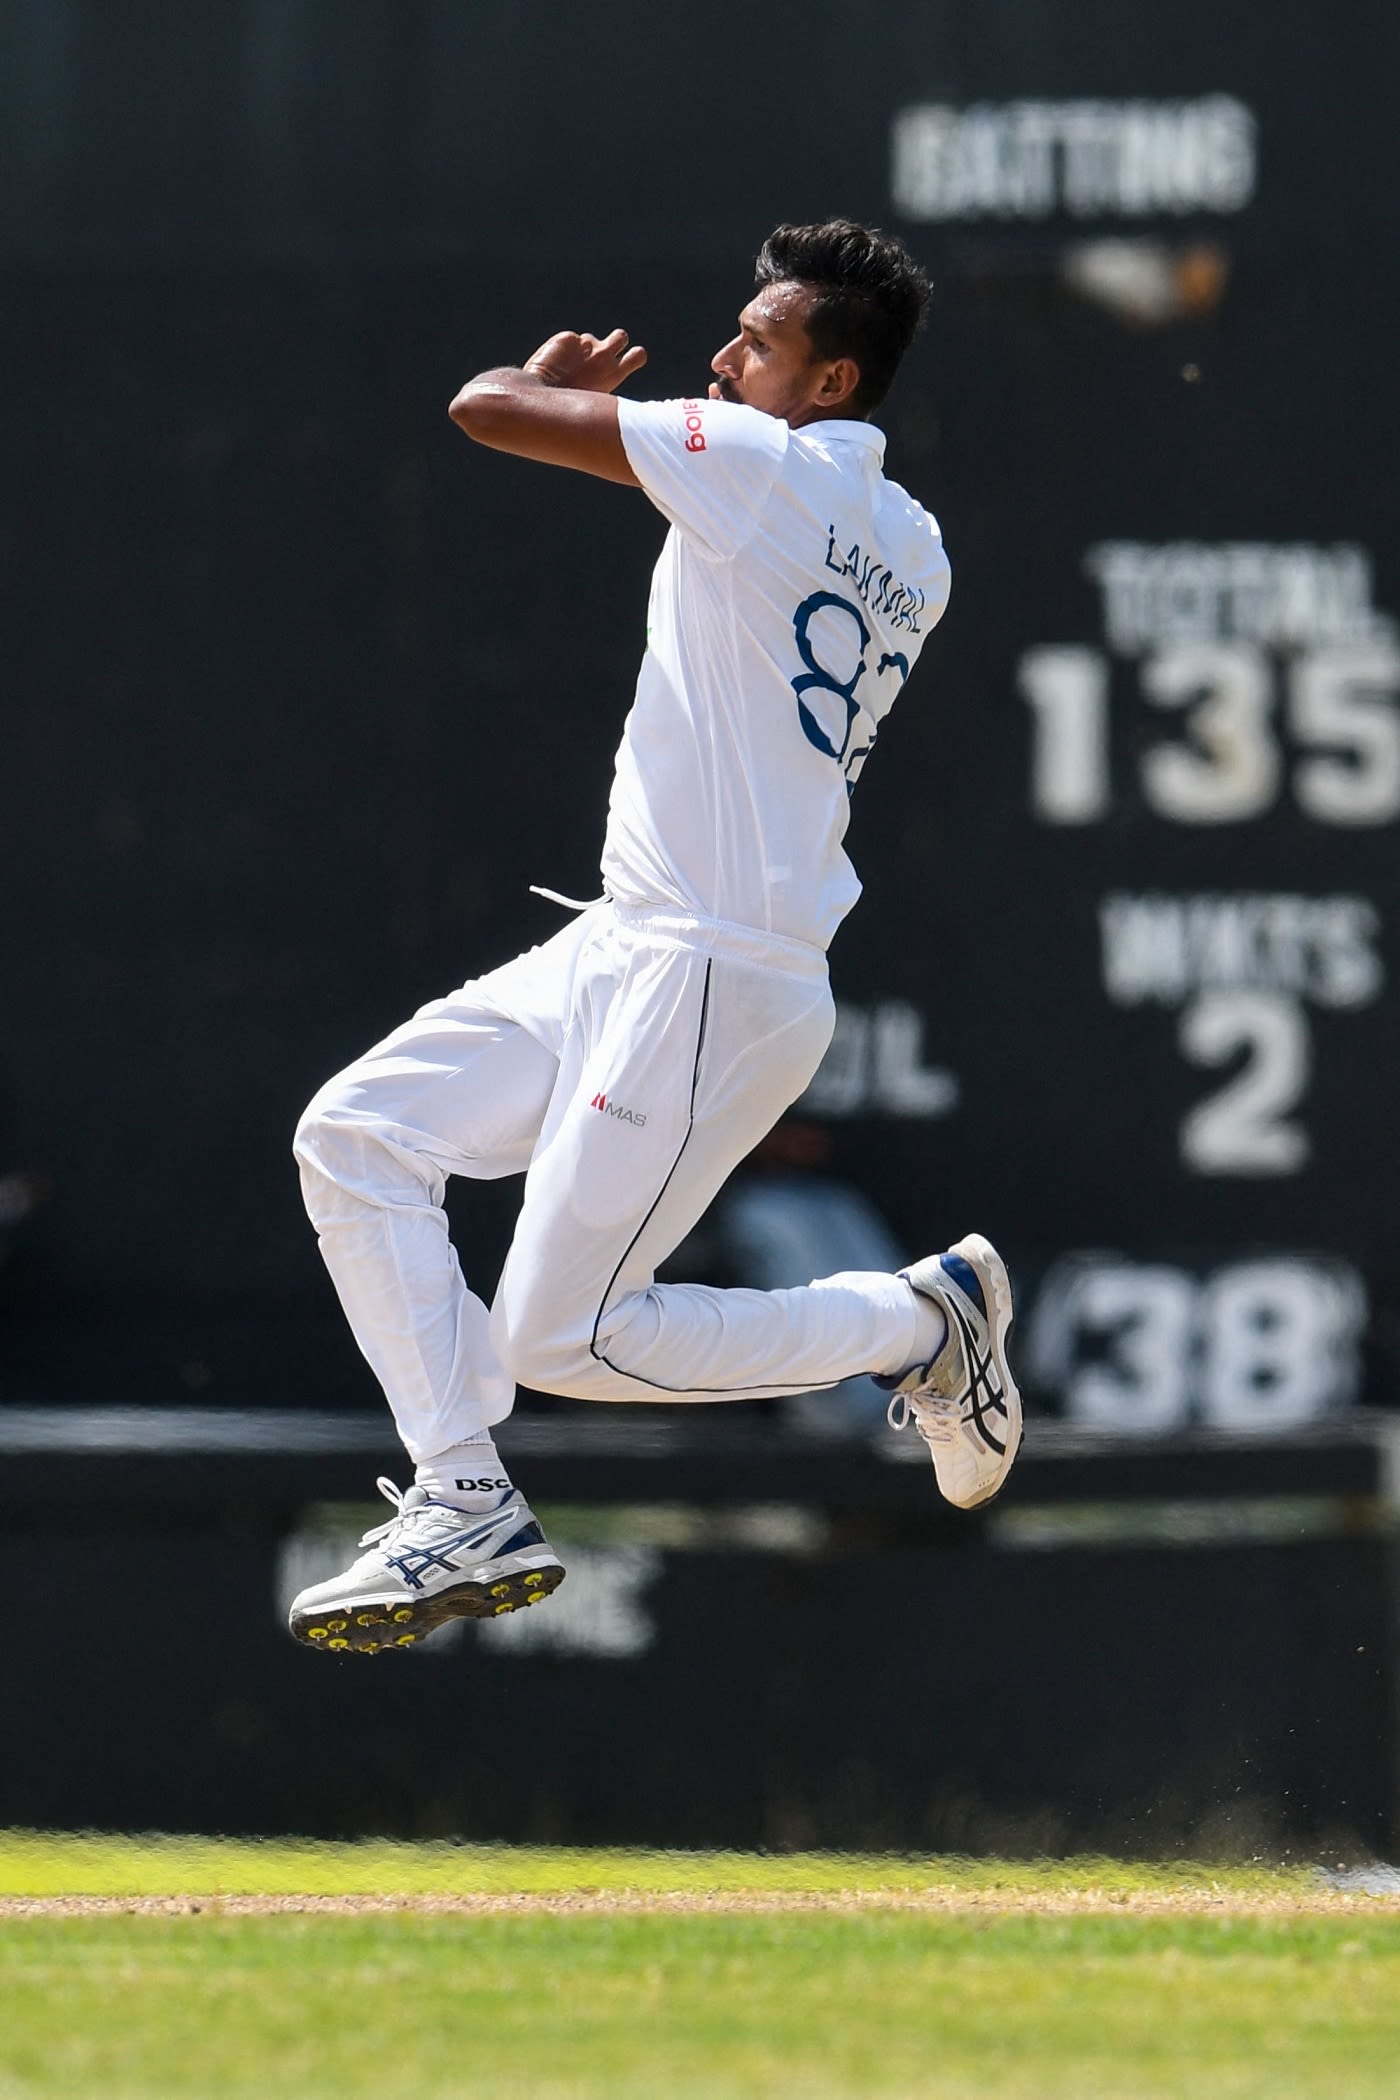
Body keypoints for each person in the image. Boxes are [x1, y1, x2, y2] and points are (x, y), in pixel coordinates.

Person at [288, 220, 1021, 1655]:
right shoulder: (913, 543)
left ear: (831, 382)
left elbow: (485, 411)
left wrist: (536, 374)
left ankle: (915, 1324)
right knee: (356, 1134)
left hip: (707, 971)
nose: (724, 356)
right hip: (638, 943)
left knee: (556, 1339)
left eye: (759, 340)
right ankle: (462, 1495)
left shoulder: (756, 461)